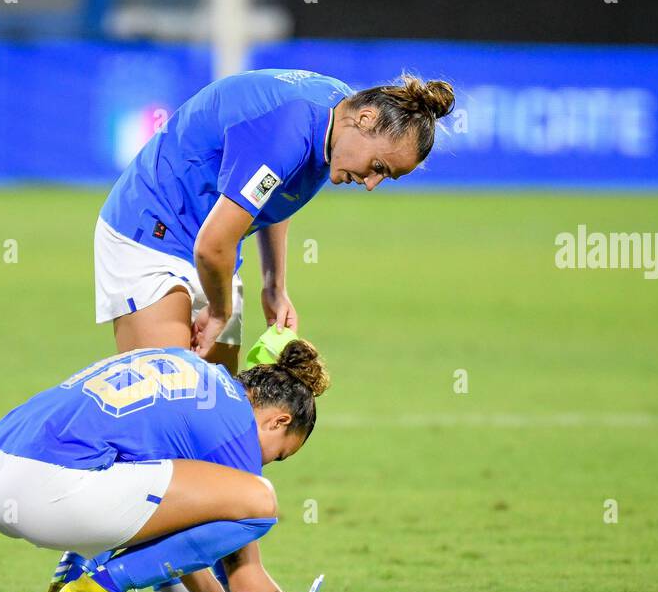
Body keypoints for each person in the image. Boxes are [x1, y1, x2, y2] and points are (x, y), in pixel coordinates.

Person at [96, 68, 455, 371]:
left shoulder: (336, 122)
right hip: (151, 230)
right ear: (366, 119)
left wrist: (274, 285)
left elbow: (273, 191)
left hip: (213, 245)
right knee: (166, 399)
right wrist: (220, 312)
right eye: (378, 167)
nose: (372, 183)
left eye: (385, 177)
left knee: (212, 409)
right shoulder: (287, 130)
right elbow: (212, 245)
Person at [0, 339, 333, 592]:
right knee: (260, 498)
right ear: (279, 421)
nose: (266, 463)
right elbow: (247, 585)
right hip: (50, 489)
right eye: (279, 454)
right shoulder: (236, 427)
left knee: (119, 469)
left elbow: (176, 526)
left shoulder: (191, 370)